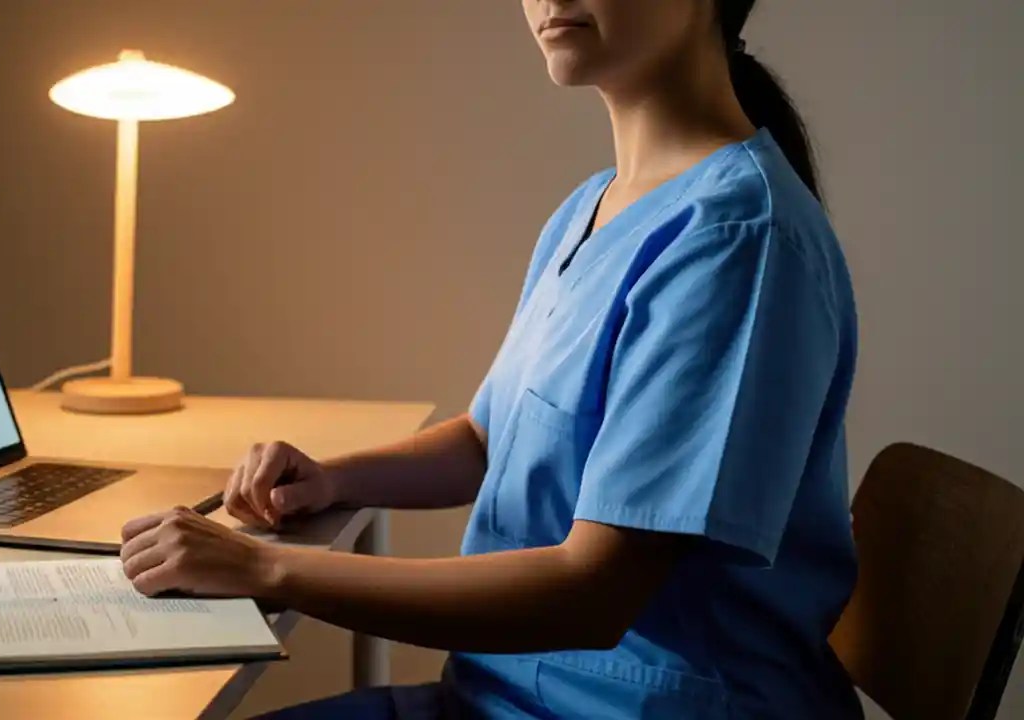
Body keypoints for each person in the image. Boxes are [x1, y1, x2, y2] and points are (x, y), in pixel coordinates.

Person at [118, 0, 862, 717]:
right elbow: (487, 438)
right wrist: (333, 478)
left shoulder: (737, 240)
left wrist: (263, 568)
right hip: (498, 699)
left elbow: (592, 593)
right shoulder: (594, 206)